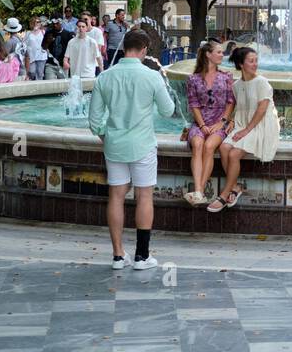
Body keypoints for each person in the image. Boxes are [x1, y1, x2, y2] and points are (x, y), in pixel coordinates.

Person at [88, 28, 173, 270]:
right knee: (144, 196)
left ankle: (117, 255)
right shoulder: (152, 76)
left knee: (116, 196)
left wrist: (107, 138)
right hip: (143, 144)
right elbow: (168, 111)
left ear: (125, 46)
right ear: (145, 49)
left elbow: (94, 121)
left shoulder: (105, 76)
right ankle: (142, 256)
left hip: (114, 145)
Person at [210, 46, 280, 212]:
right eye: (251, 61)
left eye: (256, 60)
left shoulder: (262, 82)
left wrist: (246, 130)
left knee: (234, 154)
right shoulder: (236, 85)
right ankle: (235, 187)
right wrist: (233, 122)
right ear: (241, 64)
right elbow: (240, 108)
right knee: (224, 147)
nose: (255, 64)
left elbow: (262, 110)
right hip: (243, 124)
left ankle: (225, 193)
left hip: (260, 125)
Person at [185, 40, 235, 206]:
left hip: (219, 124)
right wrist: (201, 125)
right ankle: (199, 190)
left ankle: (198, 191)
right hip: (200, 123)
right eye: (219, 52)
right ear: (208, 54)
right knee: (198, 144)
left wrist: (222, 121)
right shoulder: (193, 79)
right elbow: (194, 104)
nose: (222, 55)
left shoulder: (226, 76)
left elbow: (230, 101)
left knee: (208, 146)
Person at [23, 17, 49, 81]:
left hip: (41, 56)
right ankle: (32, 81)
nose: (37, 23)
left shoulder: (43, 32)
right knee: (32, 72)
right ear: (32, 23)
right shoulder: (28, 33)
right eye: (35, 22)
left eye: (38, 22)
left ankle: (39, 88)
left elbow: (47, 43)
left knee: (40, 74)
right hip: (31, 57)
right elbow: (23, 45)